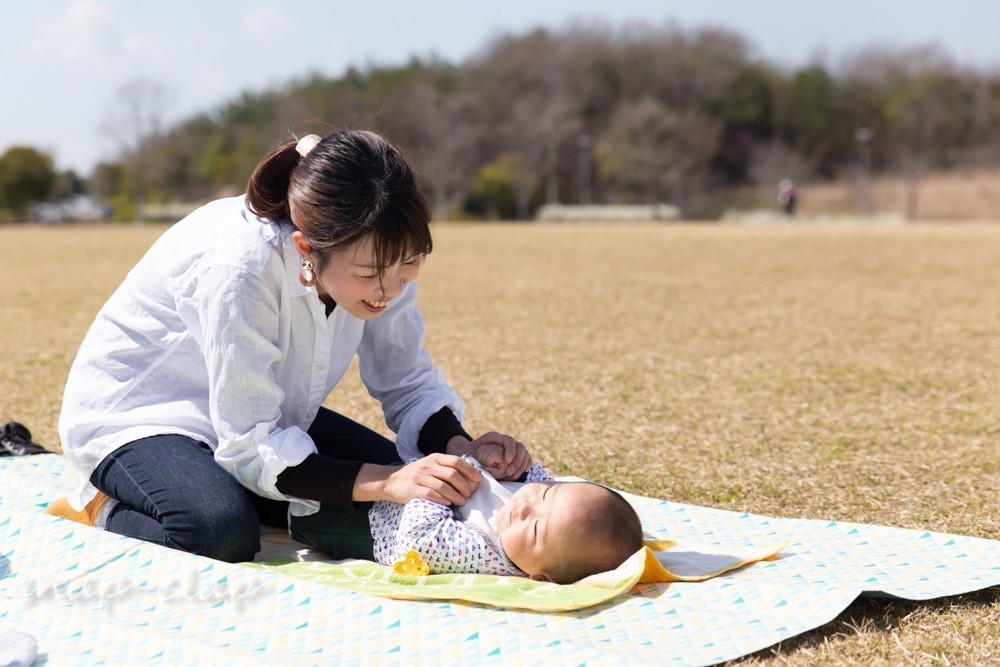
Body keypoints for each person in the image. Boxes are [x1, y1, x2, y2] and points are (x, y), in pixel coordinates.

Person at [49, 130, 533, 563]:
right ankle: (100, 506)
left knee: (424, 482)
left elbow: (405, 382)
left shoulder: (382, 253)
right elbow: (251, 438)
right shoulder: (240, 268)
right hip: (141, 416)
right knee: (221, 533)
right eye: (367, 274)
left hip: (257, 408)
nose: (389, 288)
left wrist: (462, 449)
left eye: (409, 264)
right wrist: (385, 484)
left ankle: (241, 487)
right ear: (307, 249)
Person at [291, 448, 645, 584]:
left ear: (539, 576)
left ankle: (273, 506)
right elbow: (536, 478)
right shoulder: (528, 503)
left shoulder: (485, 553)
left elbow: (421, 537)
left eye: (535, 527)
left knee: (301, 509)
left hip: (370, 528)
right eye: (549, 494)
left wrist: (457, 472)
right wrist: (504, 461)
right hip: (393, 486)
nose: (525, 504)